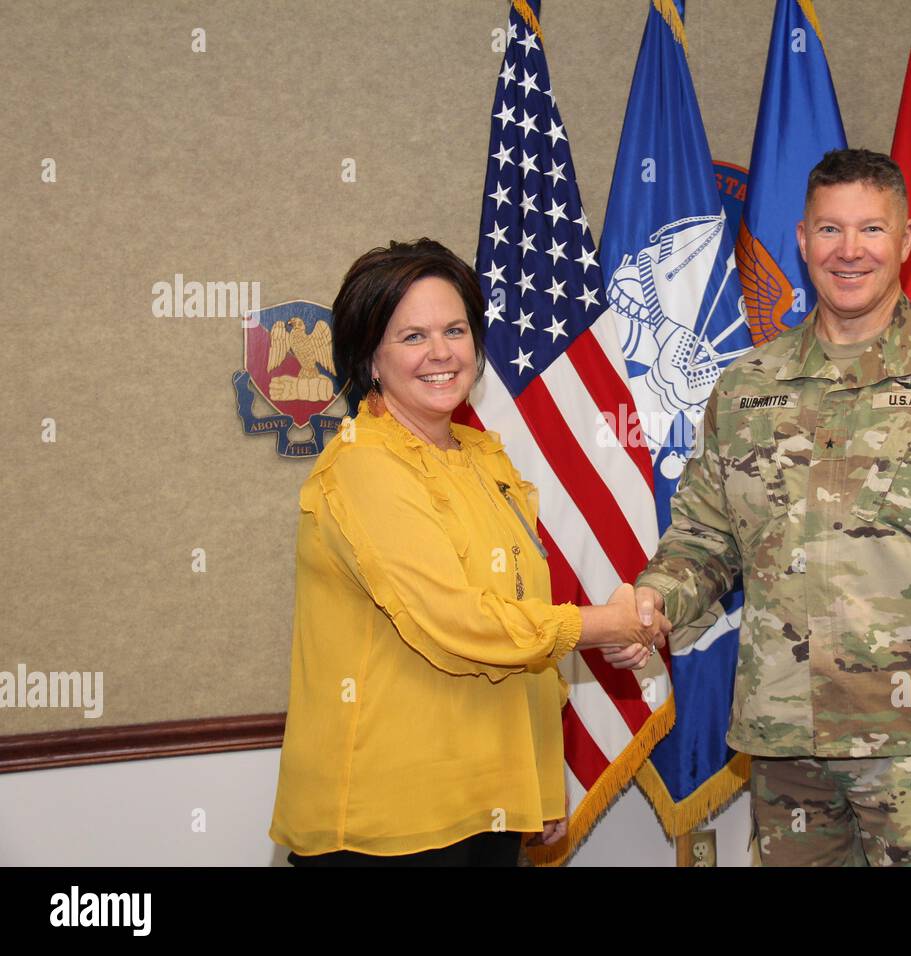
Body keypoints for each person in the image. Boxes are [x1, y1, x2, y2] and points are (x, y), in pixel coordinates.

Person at [629, 149, 911, 866]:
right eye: (830, 230)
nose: (850, 251)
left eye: (871, 230)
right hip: (787, 746)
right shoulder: (748, 387)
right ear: (802, 240)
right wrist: (652, 603)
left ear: (905, 241)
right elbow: (704, 539)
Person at [269, 238, 668, 866]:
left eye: (455, 329)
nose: (440, 352)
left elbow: (519, 628)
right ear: (369, 358)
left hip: (487, 805)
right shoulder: (363, 466)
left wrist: (536, 785)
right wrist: (600, 625)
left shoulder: (480, 456)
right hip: (391, 824)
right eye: (412, 336)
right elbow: (463, 626)